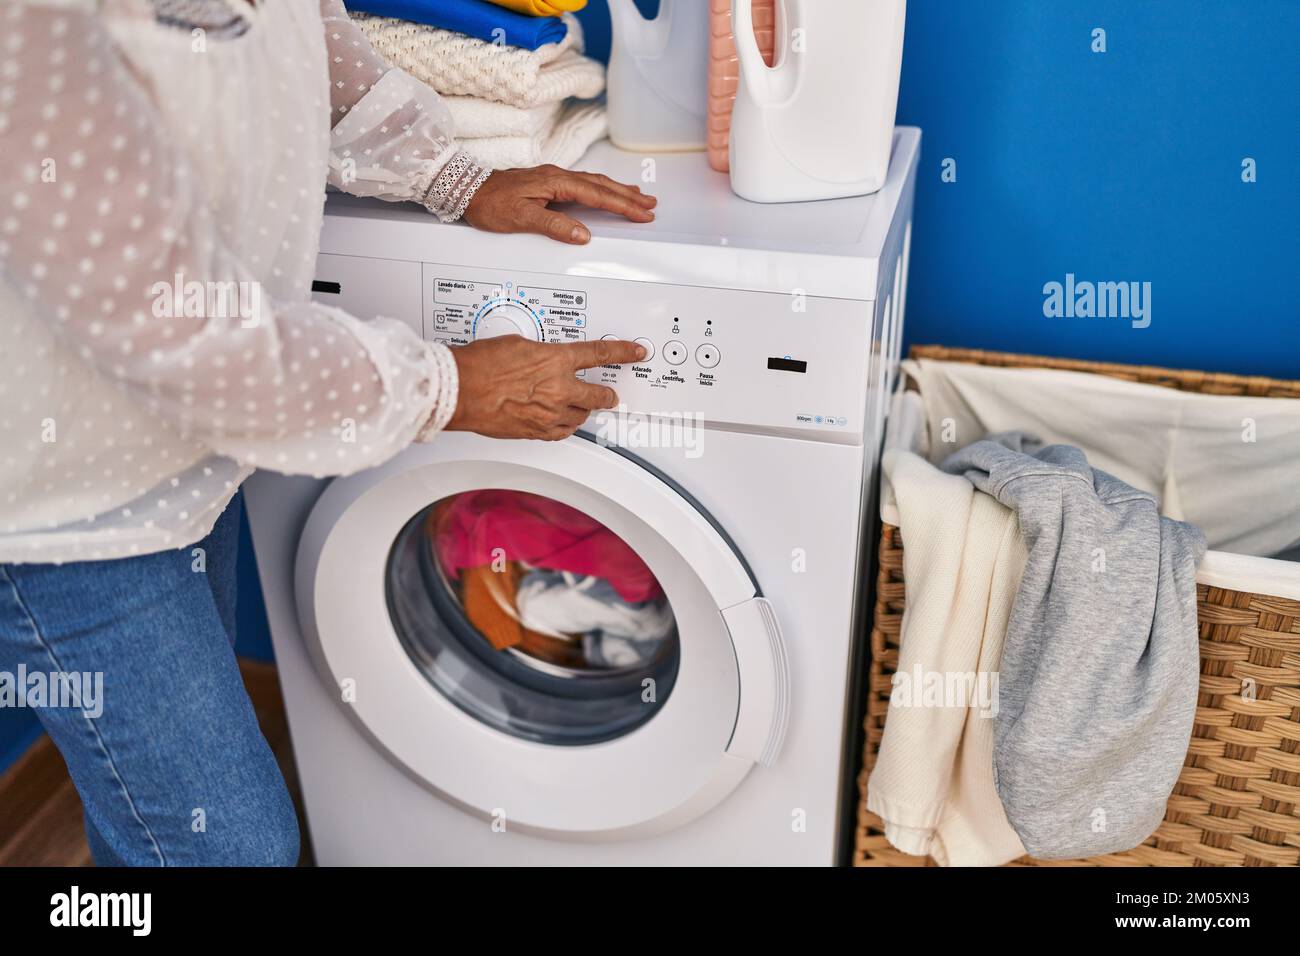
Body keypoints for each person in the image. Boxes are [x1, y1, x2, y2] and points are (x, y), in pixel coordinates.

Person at [0, 0, 655, 865]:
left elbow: (313, 50)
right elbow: (173, 329)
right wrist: (450, 387)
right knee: (230, 848)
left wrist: (453, 177)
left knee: (153, 821)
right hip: (64, 498)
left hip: (185, 453)